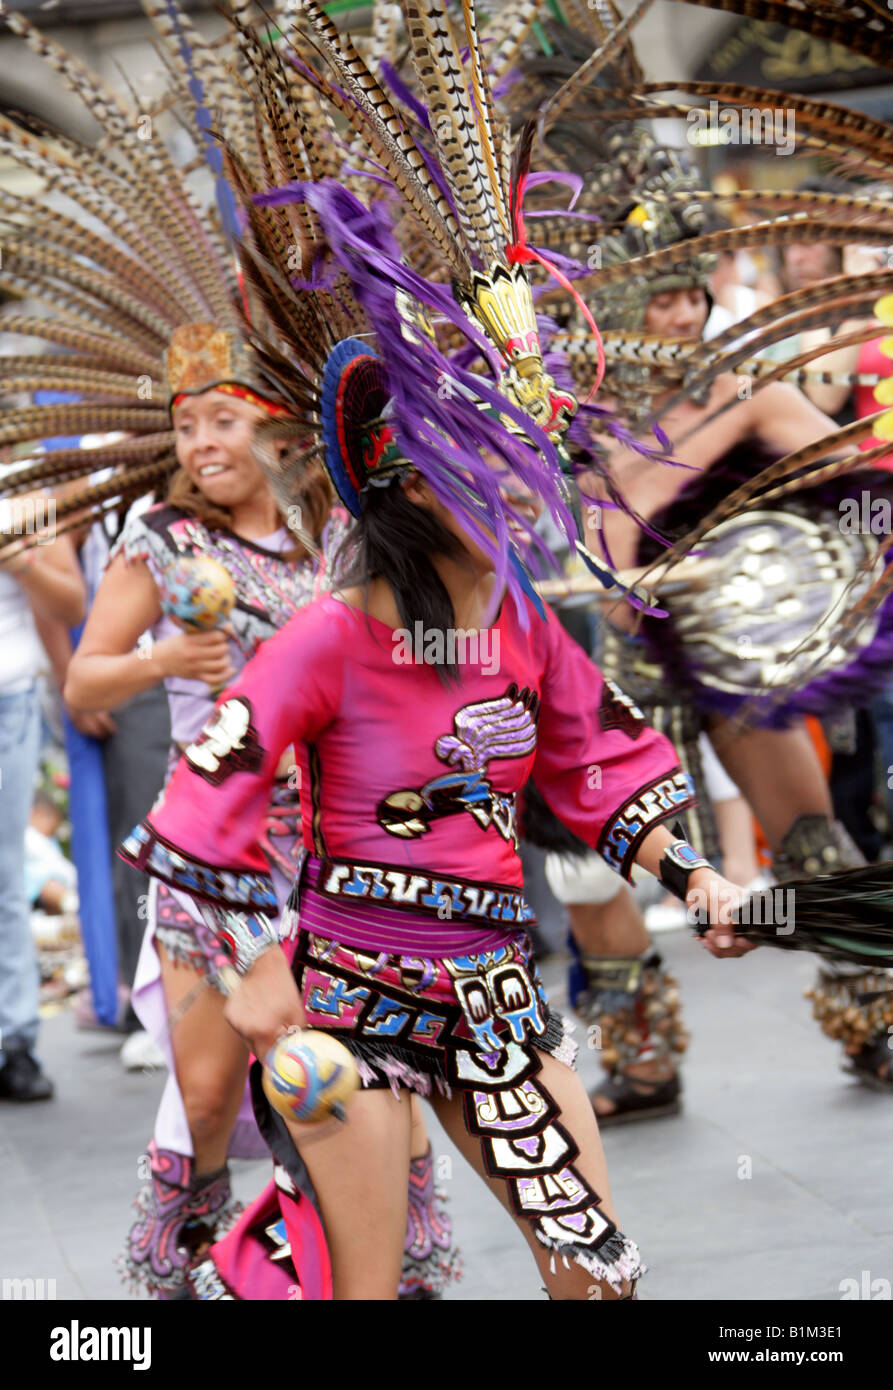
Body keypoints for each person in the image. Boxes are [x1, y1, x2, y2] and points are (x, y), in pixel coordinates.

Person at [116, 1, 754, 1299]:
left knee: (600, 1272)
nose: (522, 494)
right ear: (409, 488)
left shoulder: (518, 625)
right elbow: (207, 795)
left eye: (527, 468)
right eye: (490, 472)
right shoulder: (328, 639)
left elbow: (594, 768)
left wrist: (695, 879)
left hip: (498, 988)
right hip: (345, 998)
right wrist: (247, 965)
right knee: (369, 1283)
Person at [0, 486, 86, 1101]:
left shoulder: (29, 490)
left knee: (5, 874)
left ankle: (14, 1042)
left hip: (9, 699)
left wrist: (18, 558)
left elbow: (70, 599)